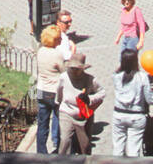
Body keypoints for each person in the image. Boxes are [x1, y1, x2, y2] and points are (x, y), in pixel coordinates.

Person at [56, 53, 105, 155]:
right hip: (67, 111)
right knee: (65, 141)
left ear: (82, 68)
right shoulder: (63, 78)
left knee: (85, 145)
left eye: (77, 69)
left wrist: (90, 99)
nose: (74, 71)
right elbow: (59, 94)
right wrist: (60, 104)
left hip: (83, 115)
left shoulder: (90, 79)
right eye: (72, 68)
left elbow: (102, 93)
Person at [110, 48, 153, 157]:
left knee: (117, 148)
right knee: (133, 150)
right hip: (136, 116)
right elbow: (150, 100)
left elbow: (120, 72)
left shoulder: (116, 76)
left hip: (118, 115)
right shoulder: (142, 77)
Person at [35, 25, 66, 154]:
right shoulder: (57, 54)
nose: (60, 41)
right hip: (54, 92)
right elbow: (63, 71)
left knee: (42, 123)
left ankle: (41, 150)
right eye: (58, 39)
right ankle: (58, 146)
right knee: (58, 120)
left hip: (42, 90)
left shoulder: (40, 51)